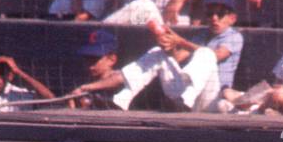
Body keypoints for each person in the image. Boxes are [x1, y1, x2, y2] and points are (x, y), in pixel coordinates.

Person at [67, 19, 222, 110]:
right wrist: (169, 45)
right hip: (182, 97)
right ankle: (121, 101)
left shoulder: (232, 37)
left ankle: (186, 99)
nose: (214, 18)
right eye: (210, 14)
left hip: (209, 100)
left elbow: (215, 56)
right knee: (157, 52)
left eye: (94, 59)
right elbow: (177, 58)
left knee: (207, 53)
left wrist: (180, 41)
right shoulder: (200, 34)